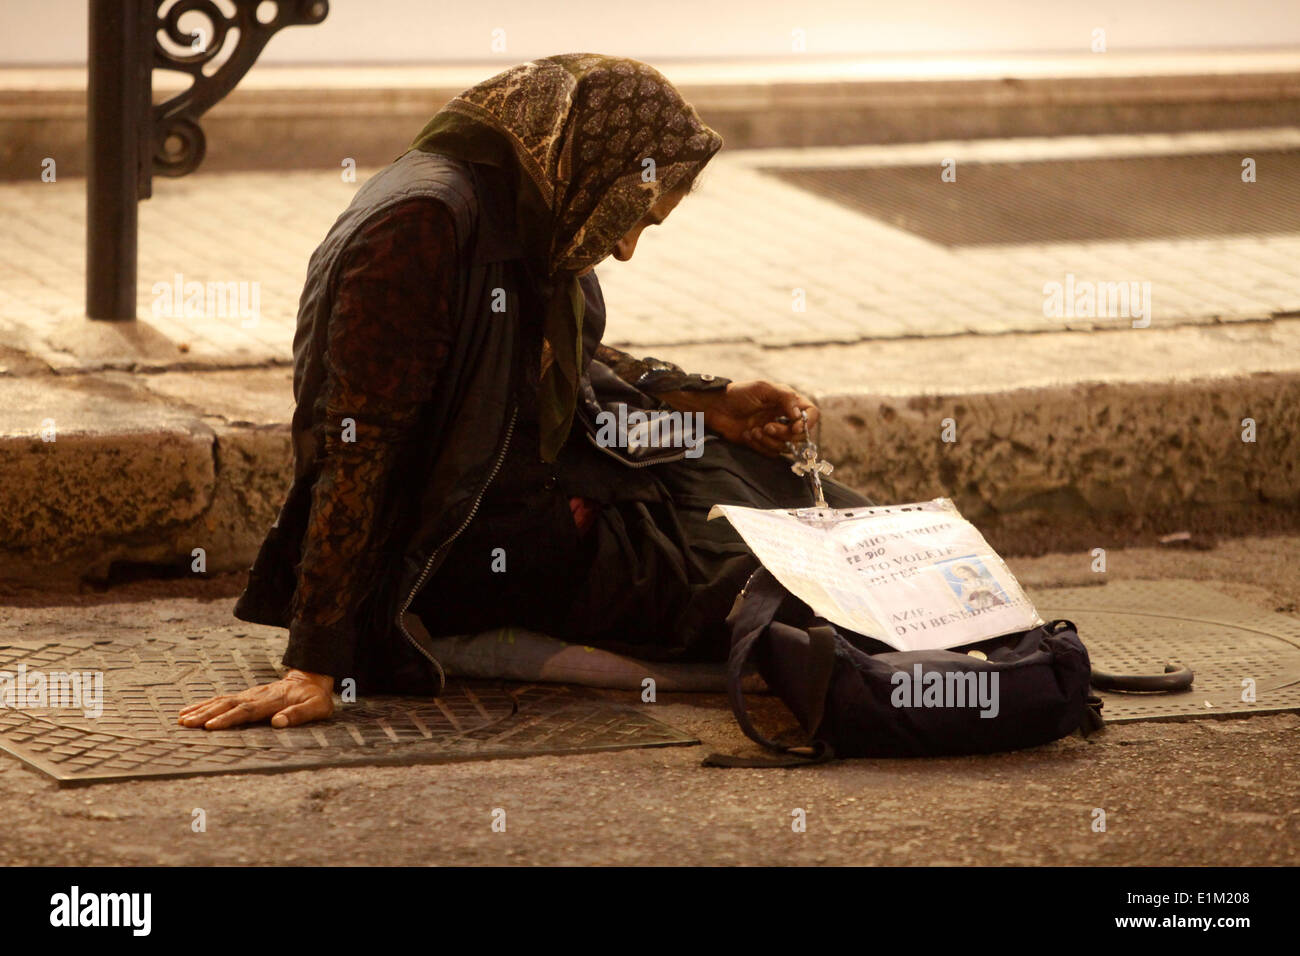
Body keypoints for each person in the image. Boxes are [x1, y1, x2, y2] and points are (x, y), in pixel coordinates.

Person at [178, 53, 869, 732]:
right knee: (769, 574)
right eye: (636, 215)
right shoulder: (417, 227)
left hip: (565, 469)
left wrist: (704, 399)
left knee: (789, 489)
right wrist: (317, 659)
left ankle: (926, 596)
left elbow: (544, 354)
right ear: (596, 161)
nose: (626, 247)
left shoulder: (530, 193)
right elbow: (358, 445)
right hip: (473, 538)